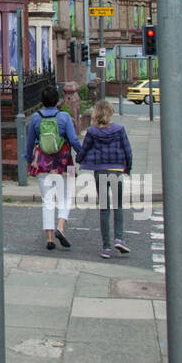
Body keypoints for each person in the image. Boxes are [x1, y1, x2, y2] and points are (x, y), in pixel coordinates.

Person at [24, 85, 83, 250]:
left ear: (42, 101)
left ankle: (49, 238)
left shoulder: (36, 118)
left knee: (47, 201)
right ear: (57, 100)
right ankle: (60, 228)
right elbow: (74, 140)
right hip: (65, 163)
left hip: (42, 163)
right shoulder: (64, 117)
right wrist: (82, 155)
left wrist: (29, 160)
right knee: (66, 197)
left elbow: (29, 144)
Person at [77, 99, 134, 259]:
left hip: (100, 171)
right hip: (116, 171)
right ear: (110, 113)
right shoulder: (119, 129)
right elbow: (127, 150)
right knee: (118, 206)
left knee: (104, 209)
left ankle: (106, 247)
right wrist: (127, 168)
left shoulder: (92, 131)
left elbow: (85, 149)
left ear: (96, 114)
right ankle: (119, 239)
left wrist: (79, 160)